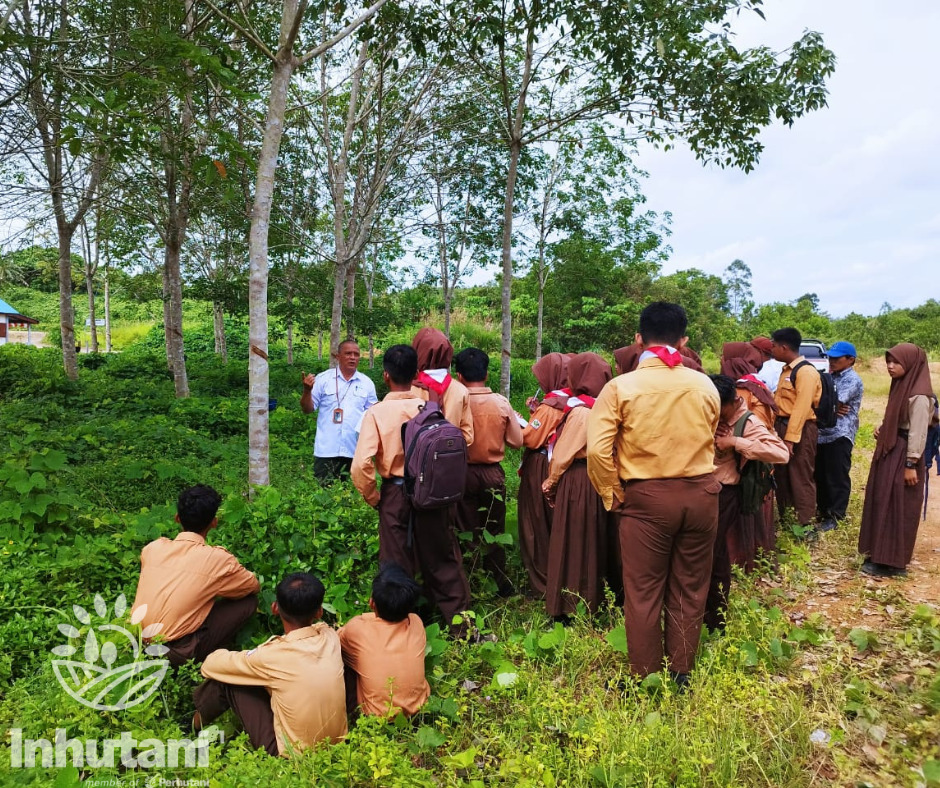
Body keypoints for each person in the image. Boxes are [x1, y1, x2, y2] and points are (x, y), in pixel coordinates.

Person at [588, 302, 721, 685]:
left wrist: (612, 494)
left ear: (638, 339)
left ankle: (646, 675)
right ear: (684, 341)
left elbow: (598, 450)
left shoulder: (620, 387)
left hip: (647, 498)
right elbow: (710, 434)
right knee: (691, 585)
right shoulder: (704, 384)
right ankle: (681, 671)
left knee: (644, 590)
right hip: (702, 495)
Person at [351, 344, 470, 630]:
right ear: (416, 374)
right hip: (432, 493)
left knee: (395, 564)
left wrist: (374, 497)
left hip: (395, 492)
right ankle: (463, 628)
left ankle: (398, 630)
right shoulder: (430, 409)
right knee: (443, 559)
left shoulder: (377, 413)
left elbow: (360, 465)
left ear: (385, 375)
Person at [194, 572, 347, 756]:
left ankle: (193, 724)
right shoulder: (330, 637)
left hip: (292, 755)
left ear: (275, 608)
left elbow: (210, 666)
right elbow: (319, 627)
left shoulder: (271, 656)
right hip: (336, 744)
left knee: (227, 678)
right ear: (319, 612)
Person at [132, 485, 259, 668]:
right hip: (174, 653)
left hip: (135, 642)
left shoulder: (152, 549)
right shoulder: (218, 559)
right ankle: (208, 657)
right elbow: (252, 585)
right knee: (248, 602)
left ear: (177, 518)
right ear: (214, 522)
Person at [705, 375, 789, 630]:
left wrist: (735, 442)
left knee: (713, 554)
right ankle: (707, 613)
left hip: (726, 494)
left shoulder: (748, 421)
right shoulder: (718, 417)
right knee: (710, 554)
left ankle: (714, 617)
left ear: (728, 403)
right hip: (706, 491)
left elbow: (780, 453)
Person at [541, 352, 614, 618]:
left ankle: (569, 606)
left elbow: (563, 453)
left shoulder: (581, 412)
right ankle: (593, 600)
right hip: (597, 479)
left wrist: (551, 481)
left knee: (571, 541)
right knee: (592, 541)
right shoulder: (604, 406)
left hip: (578, 480)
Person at [858, 343, 935, 577]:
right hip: (893, 450)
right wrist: (884, 429)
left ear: (911, 364)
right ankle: (880, 554)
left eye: (896, 362)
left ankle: (894, 562)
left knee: (899, 505)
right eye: (888, 361)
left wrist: (911, 464)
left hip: (904, 455)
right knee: (884, 500)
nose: (890, 367)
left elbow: (919, 432)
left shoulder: (919, 395)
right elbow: (898, 419)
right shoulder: (902, 386)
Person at [453, 347, 524, 596]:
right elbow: (517, 441)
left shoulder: (455, 402)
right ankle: (499, 581)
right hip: (492, 473)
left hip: (462, 473)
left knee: (464, 526)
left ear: (459, 375)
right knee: (494, 527)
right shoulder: (500, 402)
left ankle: (468, 579)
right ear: (486, 373)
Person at [338, 563, 430, 718]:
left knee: (344, 657)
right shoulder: (416, 622)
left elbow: (336, 641)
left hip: (376, 717)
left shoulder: (357, 630)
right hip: (419, 709)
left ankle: (348, 714)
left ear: (371, 602)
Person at [517, 353, 571, 596]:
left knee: (535, 521)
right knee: (554, 522)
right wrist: (535, 414)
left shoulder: (550, 408)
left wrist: (519, 423)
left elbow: (530, 437)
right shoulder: (570, 401)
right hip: (560, 465)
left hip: (539, 466)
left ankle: (541, 581)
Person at [721, 341, 780, 560]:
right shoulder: (759, 385)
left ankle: (739, 558)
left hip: (747, 458)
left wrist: (732, 441)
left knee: (743, 510)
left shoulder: (741, 392)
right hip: (760, 456)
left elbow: (742, 425)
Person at [301, 339, 378, 483]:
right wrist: (307, 391)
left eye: (356, 354)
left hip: (354, 451)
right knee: (324, 496)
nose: (352, 357)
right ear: (338, 356)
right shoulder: (323, 379)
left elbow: (372, 416)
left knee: (353, 497)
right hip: (326, 451)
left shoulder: (367, 383)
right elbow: (307, 409)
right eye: (348, 353)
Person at [770, 327, 822, 531]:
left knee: (800, 475)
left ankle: (804, 524)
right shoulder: (787, 370)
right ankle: (787, 519)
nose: (771, 350)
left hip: (801, 429)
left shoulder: (806, 372)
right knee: (782, 474)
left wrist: (790, 439)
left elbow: (801, 408)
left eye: (774, 346)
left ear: (784, 347)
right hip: (783, 426)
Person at [815, 341, 864, 532]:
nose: (832, 361)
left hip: (840, 434)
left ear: (850, 360)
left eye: (837, 358)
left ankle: (836, 515)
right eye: (830, 357)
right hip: (822, 433)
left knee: (836, 475)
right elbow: (825, 403)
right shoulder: (829, 377)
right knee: (820, 473)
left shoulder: (852, 380)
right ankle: (824, 510)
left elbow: (835, 402)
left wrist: (830, 405)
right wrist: (828, 406)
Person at [410, 327, 474, 445]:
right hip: (450, 462)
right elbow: (468, 437)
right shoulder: (461, 390)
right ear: (447, 353)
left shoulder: (409, 389)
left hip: (414, 462)